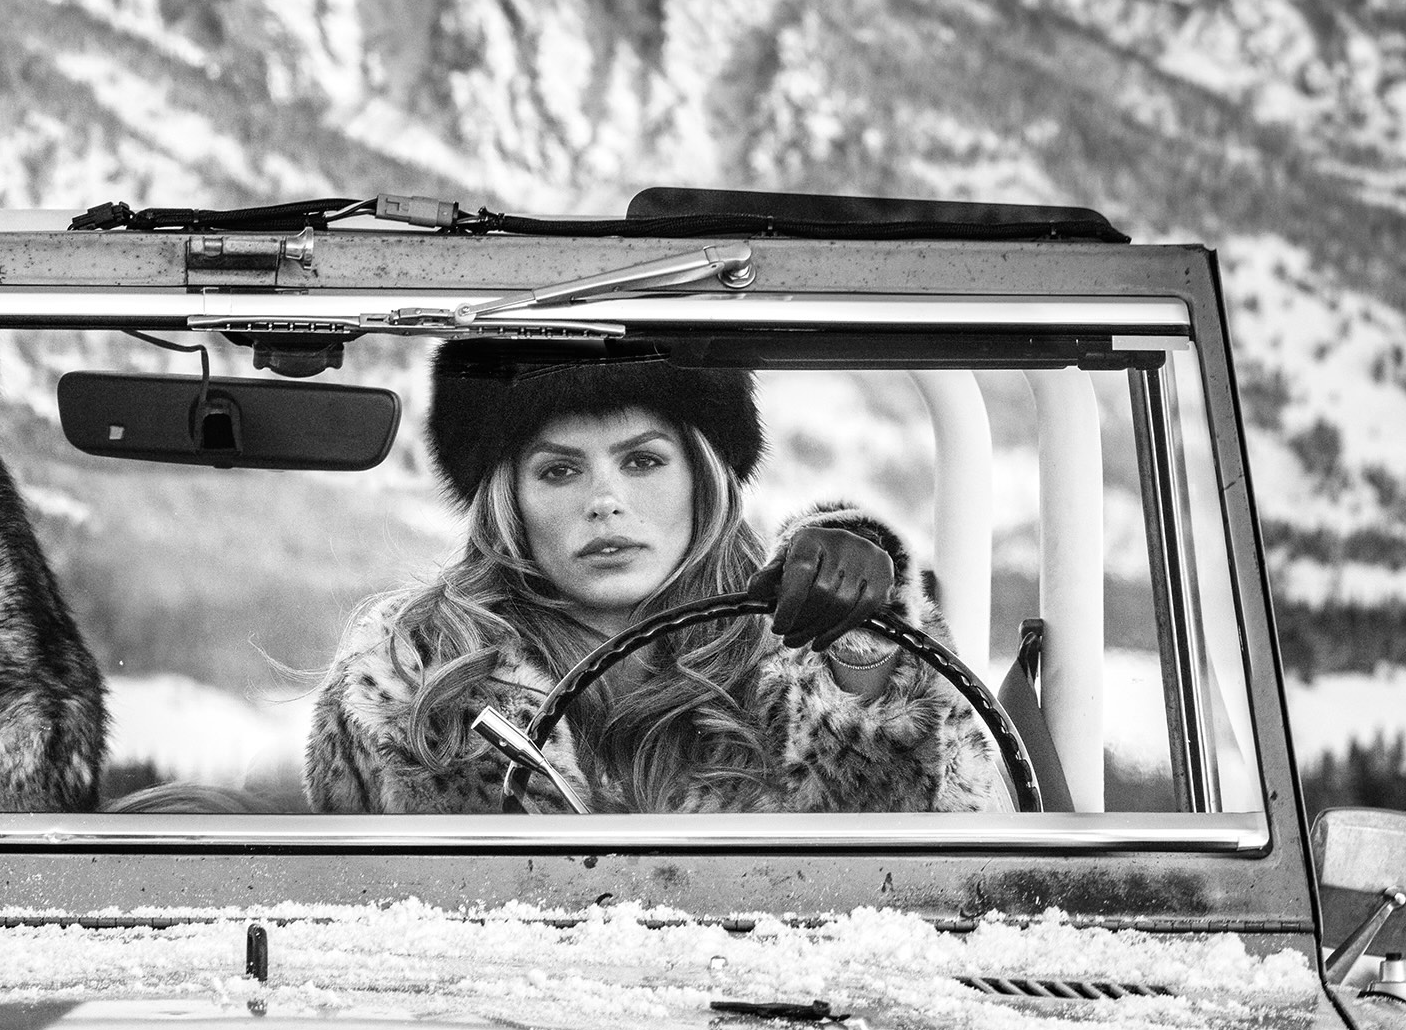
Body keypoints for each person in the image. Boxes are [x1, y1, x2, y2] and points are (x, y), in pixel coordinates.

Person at [304, 343, 1012, 816]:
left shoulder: (806, 657)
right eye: (559, 469)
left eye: (642, 461)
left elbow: (946, 890)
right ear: (507, 499)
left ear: (703, 476)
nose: (604, 500)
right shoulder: (412, 681)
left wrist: (862, 664)